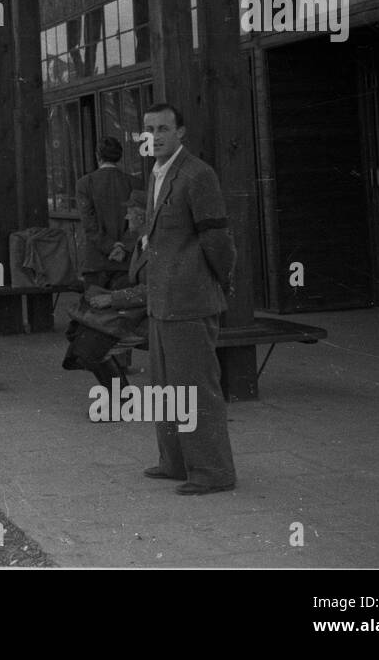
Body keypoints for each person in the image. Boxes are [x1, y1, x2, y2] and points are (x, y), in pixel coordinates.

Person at [140, 102, 237, 496]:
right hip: (162, 301)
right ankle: (175, 461)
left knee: (195, 388)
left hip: (190, 300)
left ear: (181, 132)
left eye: (164, 128)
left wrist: (216, 281)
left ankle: (213, 471)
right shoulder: (158, 173)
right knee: (165, 386)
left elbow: (217, 239)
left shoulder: (198, 174)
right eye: (149, 130)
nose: (156, 136)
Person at [63, 191, 148, 391]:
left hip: (148, 318)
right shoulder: (140, 242)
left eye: (129, 213)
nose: (126, 218)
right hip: (137, 312)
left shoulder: (153, 245)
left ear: (142, 216)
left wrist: (111, 298)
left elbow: (151, 290)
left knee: (92, 342)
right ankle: (120, 396)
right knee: (83, 333)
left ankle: (122, 398)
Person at [77, 136, 135, 290]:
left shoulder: (85, 183)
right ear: (120, 156)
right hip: (126, 261)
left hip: (96, 261)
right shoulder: (134, 183)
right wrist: (123, 247)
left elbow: (89, 225)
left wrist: (110, 246)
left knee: (94, 309)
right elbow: (139, 221)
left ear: (98, 156)